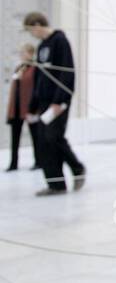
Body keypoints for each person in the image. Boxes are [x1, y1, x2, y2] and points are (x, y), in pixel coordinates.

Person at [22, 12, 86, 195]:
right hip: (44, 102)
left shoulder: (60, 41)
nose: (32, 35)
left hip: (57, 103)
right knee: (43, 142)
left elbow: (67, 73)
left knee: (53, 137)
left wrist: (60, 101)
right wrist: (33, 107)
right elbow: (41, 78)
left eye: (30, 30)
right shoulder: (42, 46)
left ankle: (77, 167)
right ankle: (56, 184)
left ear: (37, 25)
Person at [5, 41, 40, 171]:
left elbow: (36, 88)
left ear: (30, 54)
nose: (21, 55)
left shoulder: (35, 69)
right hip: (16, 107)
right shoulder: (19, 68)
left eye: (23, 52)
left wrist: (35, 109)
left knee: (35, 136)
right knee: (14, 137)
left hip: (30, 108)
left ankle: (38, 161)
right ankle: (13, 163)